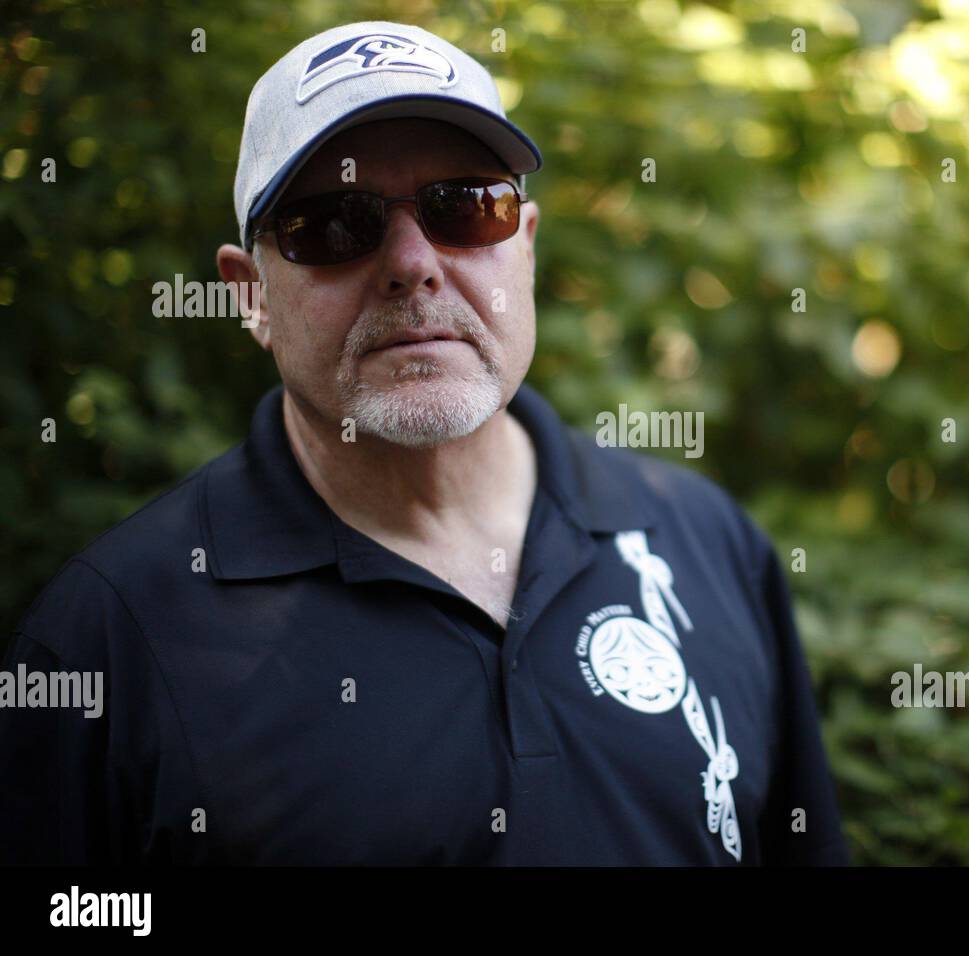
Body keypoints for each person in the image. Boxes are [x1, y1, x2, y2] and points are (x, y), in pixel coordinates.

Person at [0, 21, 849, 866]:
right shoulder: (107, 636)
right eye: (334, 223)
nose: (413, 262)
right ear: (251, 295)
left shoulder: (706, 544)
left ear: (526, 245)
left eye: (466, 208)